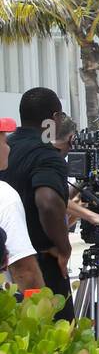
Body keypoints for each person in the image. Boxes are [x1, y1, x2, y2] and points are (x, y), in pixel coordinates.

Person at [0, 89, 74, 318]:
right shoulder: (46, 155)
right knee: (54, 344)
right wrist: (63, 247)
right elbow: (48, 202)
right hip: (40, 265)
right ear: (54, 118)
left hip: (7, 267)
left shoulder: (9, 147)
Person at [0, 116, 42, 293]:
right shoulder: (4, 195)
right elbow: (24, 271)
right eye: (4, 141)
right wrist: (42, 313)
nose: (9, 147)